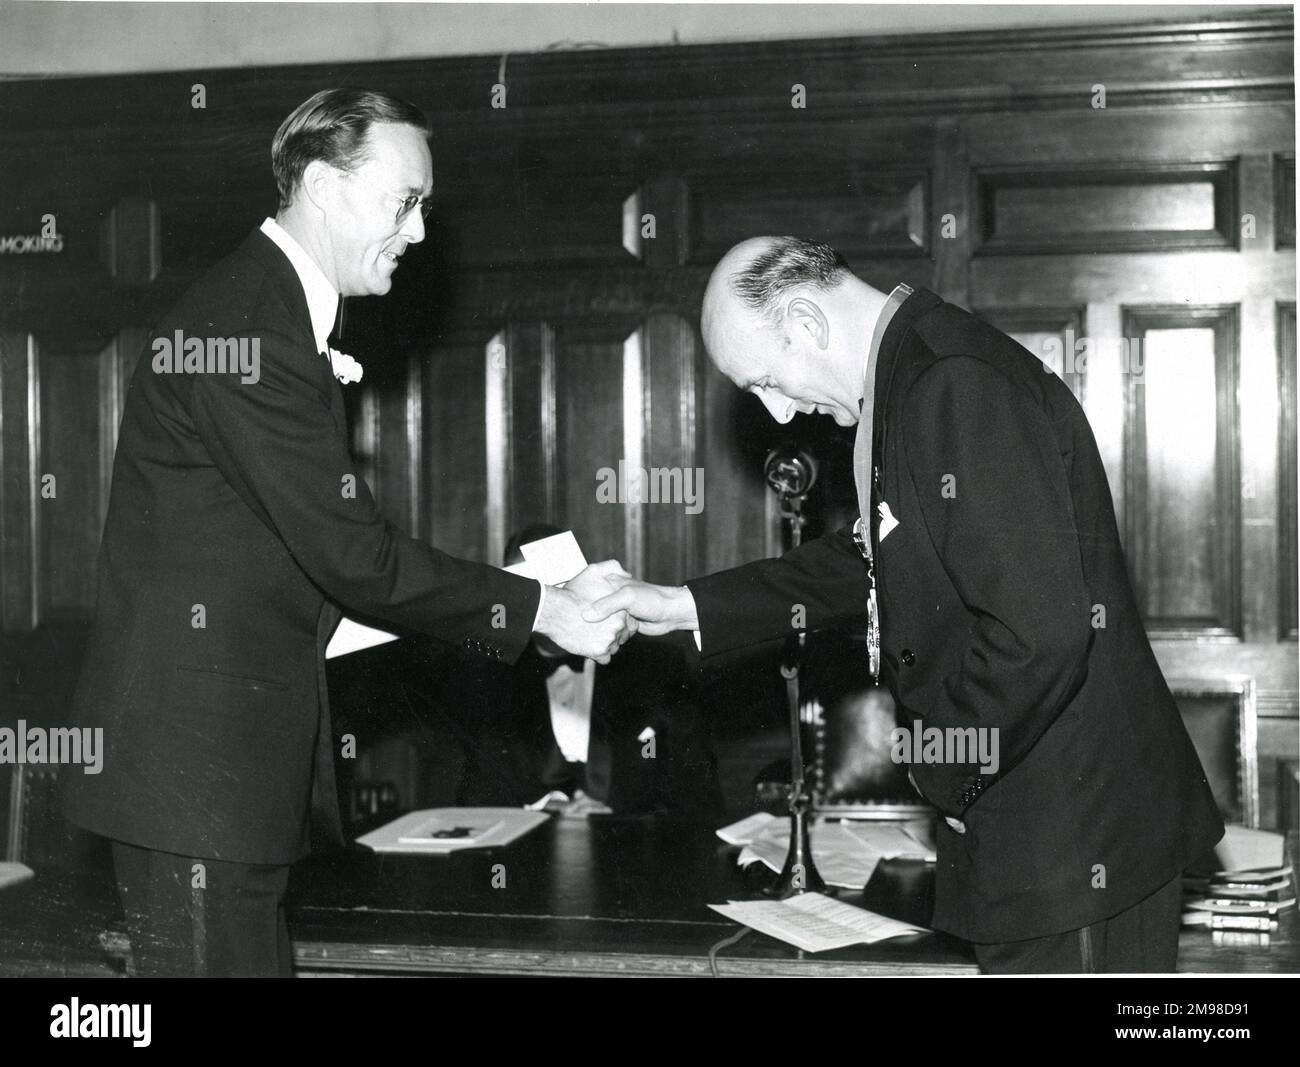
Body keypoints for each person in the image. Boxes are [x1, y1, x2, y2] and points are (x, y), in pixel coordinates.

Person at [62, 89, 632, 977]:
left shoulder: (266, 314)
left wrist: (515, 586)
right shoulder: (248, 331)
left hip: (213, 782)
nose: (417, 231)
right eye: (403, 203)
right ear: (323, 187)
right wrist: (544, 612)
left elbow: (306, 575)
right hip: (197, 783)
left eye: (426, 208)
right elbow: (356, 559)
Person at [586, 235, 1224, 973]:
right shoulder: (913, 376)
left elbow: (1041, 630)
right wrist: (678, 603)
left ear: (807, 320)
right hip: (1046, 840)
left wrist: (939, 765)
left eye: (764, 380)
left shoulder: (951, 385)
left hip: (1074, 849)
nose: (781, 415)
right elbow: (865, 559)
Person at [454, 524, 722, 819]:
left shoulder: (656, 667)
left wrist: (616, 816)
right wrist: (544, 808)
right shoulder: (490, 676)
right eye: (533, 590)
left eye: (560, 583)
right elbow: (477, 796)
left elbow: (699, 794)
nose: (549, 600)